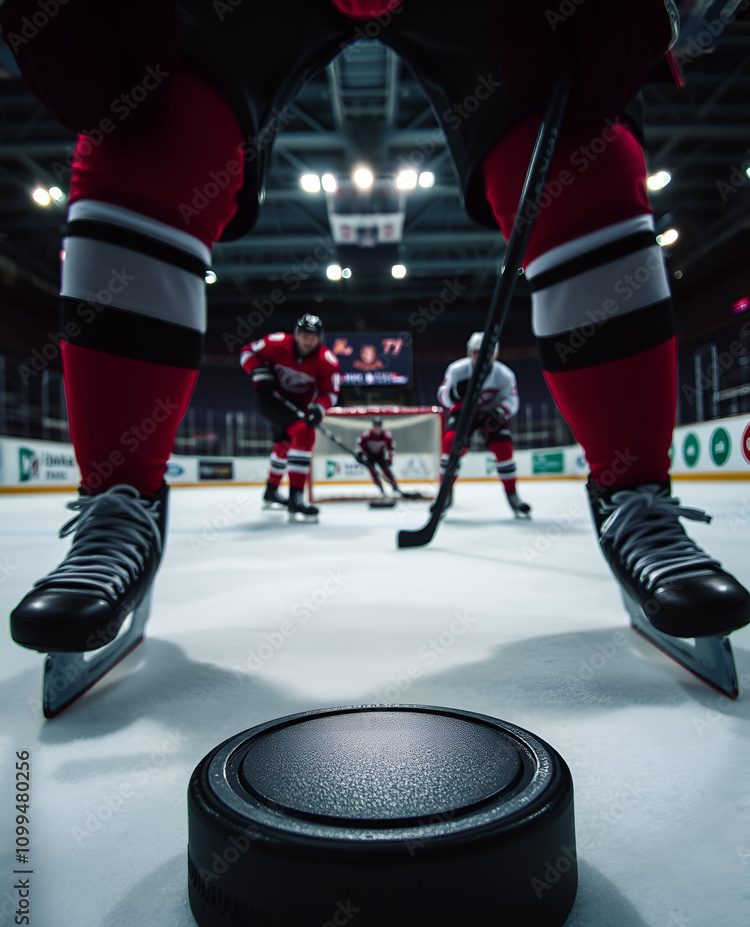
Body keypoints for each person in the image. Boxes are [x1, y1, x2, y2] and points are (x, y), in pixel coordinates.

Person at [5, 0, 747, 669]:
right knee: (151, 142)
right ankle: (119, 506)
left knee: (579, 164)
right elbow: (259, 366)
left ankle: (635, 498)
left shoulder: (331, 365)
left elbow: (339, 402)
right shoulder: (282, 355)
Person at [240, 313, 340, 521]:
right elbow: (247, 351)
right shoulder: (277, 343)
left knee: (285, 444)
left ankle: (271, 491)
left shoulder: (327, 360)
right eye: (304, 335)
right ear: (296, 333)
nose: (307, 340)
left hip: (297, 406)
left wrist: (319, 408)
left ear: (319, 338)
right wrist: (257, 371)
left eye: (312, 336)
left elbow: (329, 393)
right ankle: (296, 498)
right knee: (304, 433)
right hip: (270, 398)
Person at [436, 333, 531, 519]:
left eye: (486, 353)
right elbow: (442, 396)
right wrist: (454, 393)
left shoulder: (504, 374)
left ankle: (513, 495)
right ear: (469, 353)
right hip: (464, 413)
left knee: (504, 448)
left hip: (491, 415)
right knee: (450, 445)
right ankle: (445, 494)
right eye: (476, 352)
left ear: (495, 354)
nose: (480, 357)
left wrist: (501, 412)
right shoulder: (457, 370)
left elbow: (512, 401)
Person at [355, 417, 400, 493]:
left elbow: (391, 449)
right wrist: (359, 452)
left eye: (379, 427)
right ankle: (380, 488)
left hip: (380, 456)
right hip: (369, 456)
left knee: (387, 471)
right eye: (376, 426)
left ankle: (394, 486)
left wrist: (390, 459)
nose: (377, 429)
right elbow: (359, 445)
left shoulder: (387, 436)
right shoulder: (366, 435)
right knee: (373, 472)